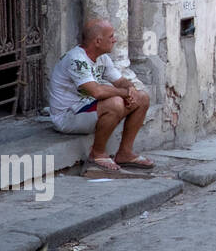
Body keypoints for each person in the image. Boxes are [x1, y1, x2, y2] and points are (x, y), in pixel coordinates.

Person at [48, 19, 153, 171]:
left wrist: (131, 90)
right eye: (111, 37)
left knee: (142, 98)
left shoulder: (102, 57)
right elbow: (96, 91)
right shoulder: (76, 60)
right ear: (98, 41)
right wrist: (124, 94)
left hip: (88, 109)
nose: (115, 40)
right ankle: (97, 154)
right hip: (68, 116)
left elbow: (121, 81)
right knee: (115, 103)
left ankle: (125, 153)